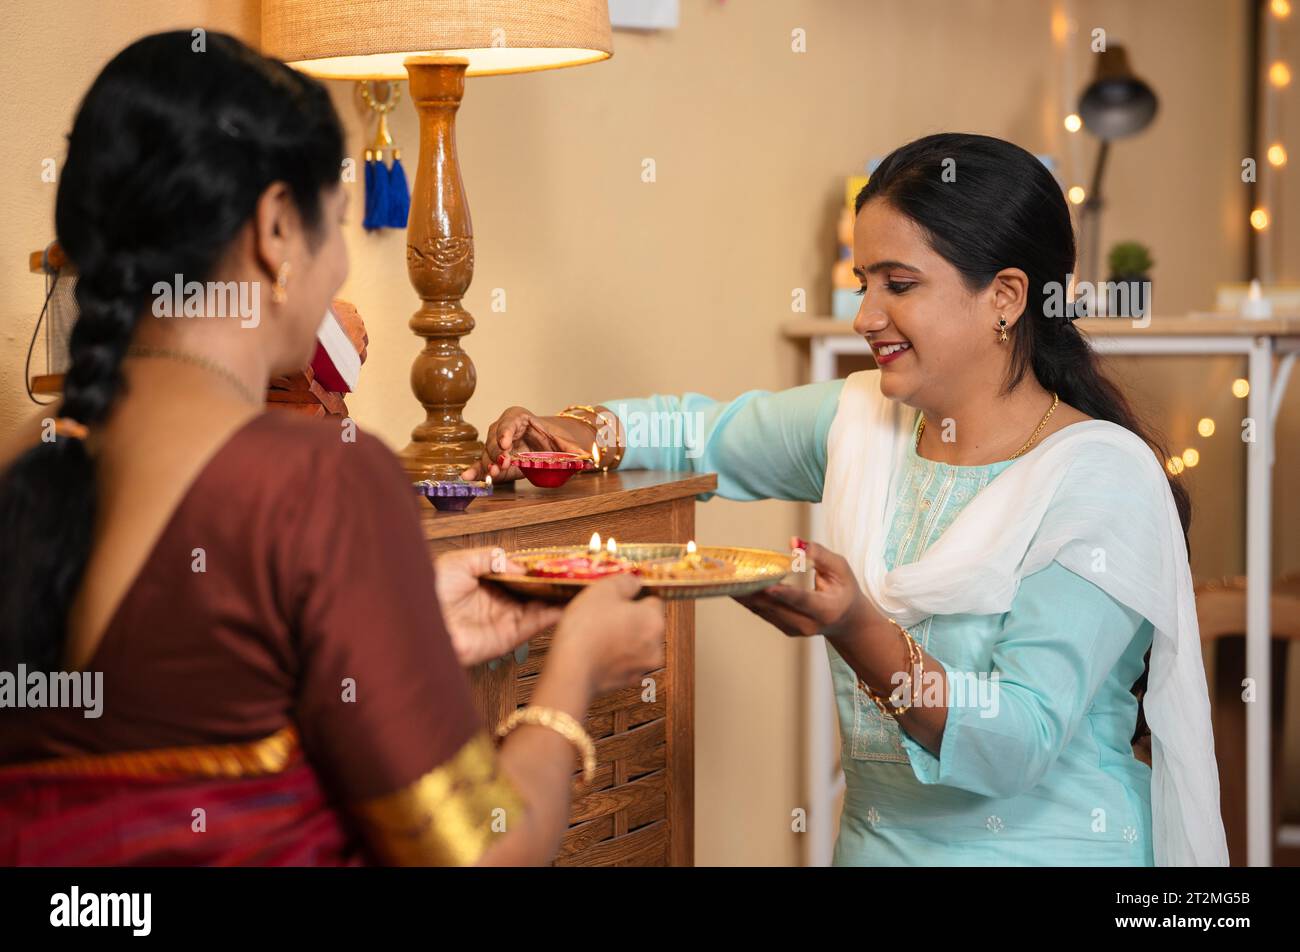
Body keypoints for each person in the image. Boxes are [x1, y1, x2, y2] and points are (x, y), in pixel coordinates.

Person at [464, 133, 1229, 866]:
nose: (866, 316)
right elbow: (706, 433)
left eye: (899, 285)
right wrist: (583, 430)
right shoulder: (866, 422)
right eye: (865, 282)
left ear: (1004, 297)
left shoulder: (1100, 479)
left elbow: (1017, 741)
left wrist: (861, 629)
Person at [0, 31, 664, 867]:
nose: (343, 261)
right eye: (338, 226)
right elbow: (484, 853)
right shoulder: (324, 480)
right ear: (278, 227)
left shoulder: (26, 472)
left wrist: (401, 614)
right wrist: (573, 674)